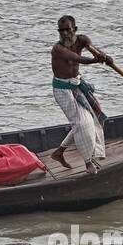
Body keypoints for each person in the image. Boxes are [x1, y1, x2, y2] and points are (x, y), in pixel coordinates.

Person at [48, 15, 110, 175]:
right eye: (61, 31)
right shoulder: (58, 49)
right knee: (82, 124)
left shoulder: (81, 40)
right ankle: (88, 163)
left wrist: (103, 56)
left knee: (89, 120)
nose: (65, 34)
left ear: (74, 30)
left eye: (68, 30)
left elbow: (92, 49)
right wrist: (98, 60)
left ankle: (59, 152)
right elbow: (77, 58)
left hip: (76, 85)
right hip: (62, 89)